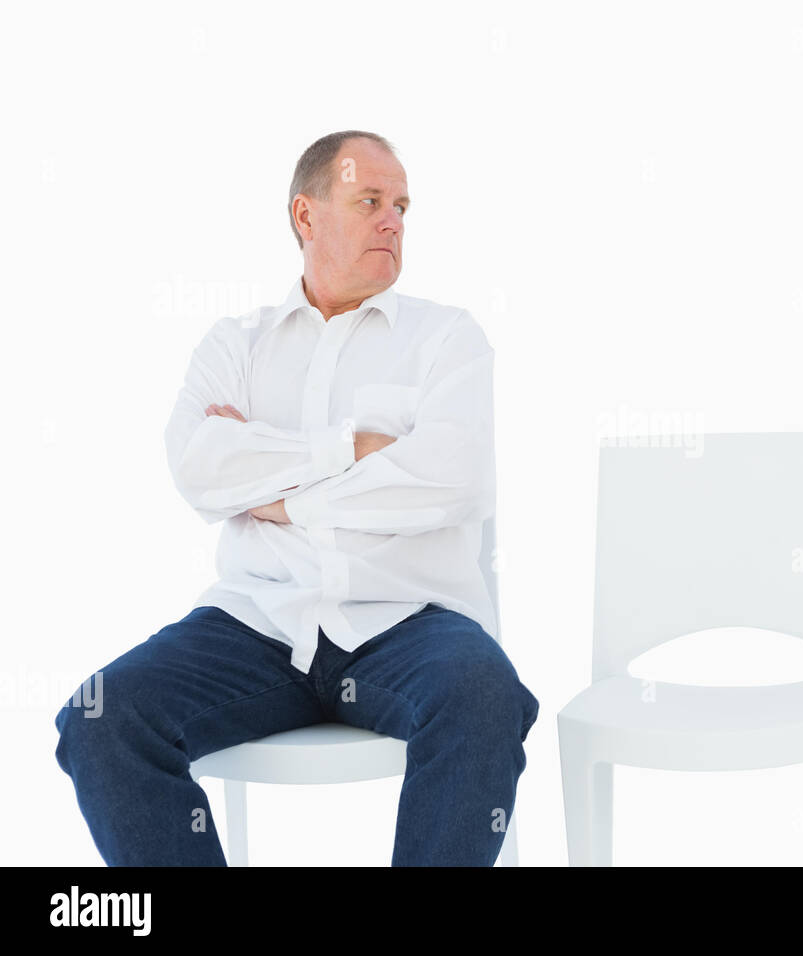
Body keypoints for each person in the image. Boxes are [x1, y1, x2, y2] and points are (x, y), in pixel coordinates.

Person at [54, 130, 539, 866]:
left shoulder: (448, 339)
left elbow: (454, 479)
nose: (394, 221)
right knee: (102, 718)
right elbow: (199, 468)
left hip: (408, 622)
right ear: (305, 216)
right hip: (256, 622)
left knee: (484, 696)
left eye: (403, 206)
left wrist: (281, 497)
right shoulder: (235, 344)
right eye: (370, 200)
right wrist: (351, 449)